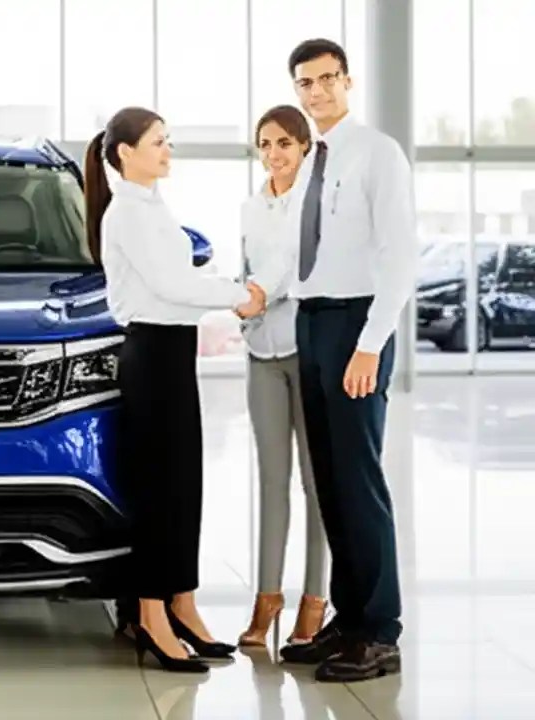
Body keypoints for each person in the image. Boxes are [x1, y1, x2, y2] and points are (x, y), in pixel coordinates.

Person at [84, 106, 266, 674]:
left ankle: (182, 601)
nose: (168, 151)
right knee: (158, 488)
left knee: (184, 482)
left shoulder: (152, 207)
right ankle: (151, 615)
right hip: (150, 355)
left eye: (168, 141)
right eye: (158, 142)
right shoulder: (129, 213)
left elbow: (175, 283)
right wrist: (239, 294)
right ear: (125, 154)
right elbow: (170, 283)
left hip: (172, 352)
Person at [274, 38, 417, 683]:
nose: (317, 92)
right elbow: (299, 252)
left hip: (356, 324)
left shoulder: (377, 154)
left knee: (359, 480)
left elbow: (398, 259)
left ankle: (380, 631)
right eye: (306, 83)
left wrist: (370, 343)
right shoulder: (309, 162)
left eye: (328, 79)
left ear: (348, 82)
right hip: (312, 322)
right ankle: (349, 618)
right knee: (328, 480)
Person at [236, 105, 330, 648]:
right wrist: (240, 296)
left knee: (316, 484)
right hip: (261, 354)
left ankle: (314, 599)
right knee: (271, 481)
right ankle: (267, 596)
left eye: (285, 144)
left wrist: (256, 295)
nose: (274, 154)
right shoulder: (251, 206)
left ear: (303, 148)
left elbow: (299, 265)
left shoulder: (313, 203)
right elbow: (248, 265)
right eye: (266, 144)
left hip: (307, 347)